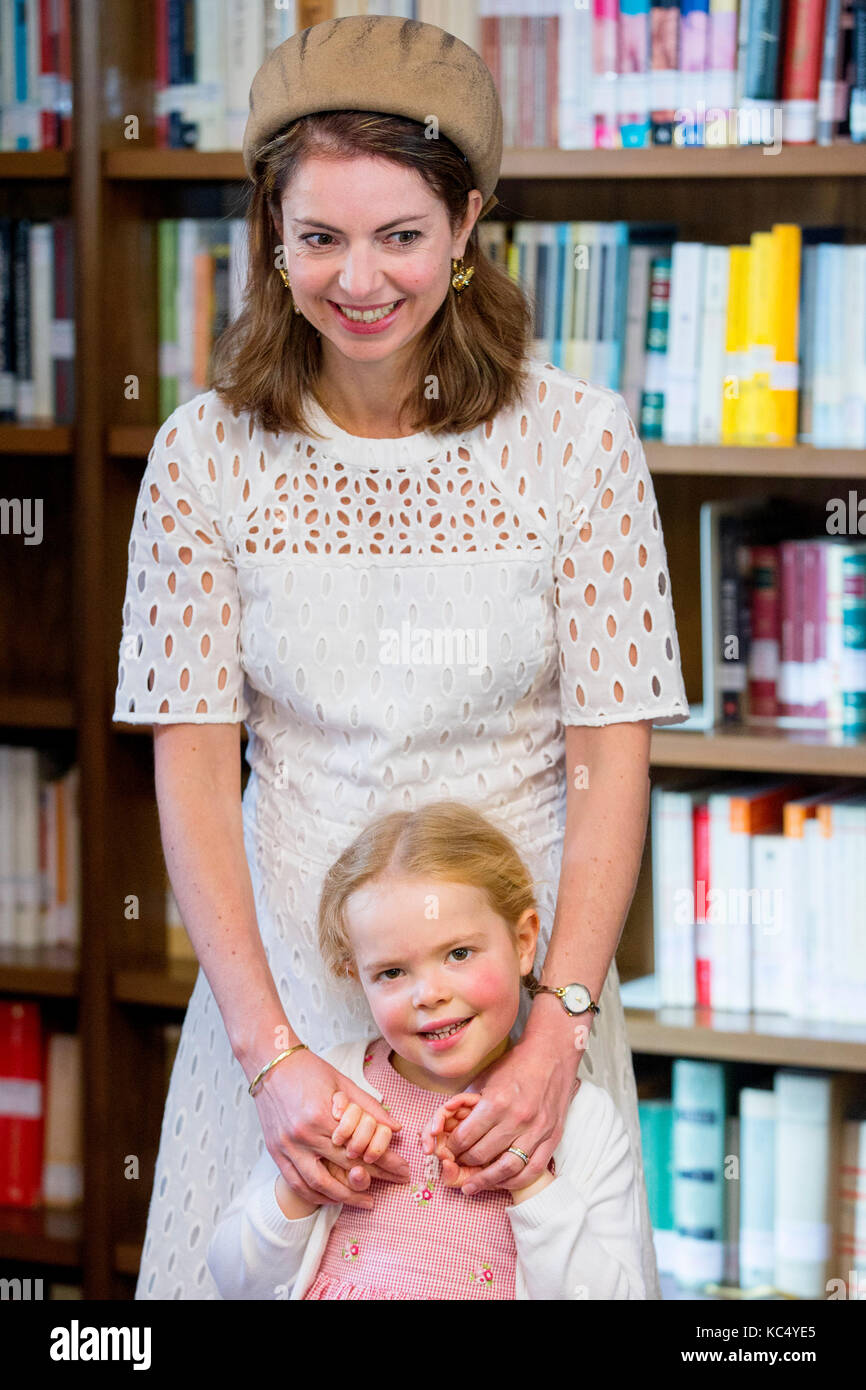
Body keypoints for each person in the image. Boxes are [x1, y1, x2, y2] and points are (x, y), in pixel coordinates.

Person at [112, 15, 690, 1301]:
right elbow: (196, 773)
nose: (357, 279)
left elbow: (610, 766)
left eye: (399, 236)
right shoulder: (203, 456)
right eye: (318, 237)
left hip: (520, 1006)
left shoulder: (580, 449)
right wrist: (270, 1060)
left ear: (467, 221)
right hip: (284, 1019)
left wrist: (556, 1031)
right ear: (271, 232)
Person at [206, 801, 647, 1300]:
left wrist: (529, 1183)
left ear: (524, 942)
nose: (429, 994)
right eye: (392, 973)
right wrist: (302, 1188)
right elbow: (236, 1282)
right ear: (358, 978)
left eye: (458, 954)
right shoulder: (332, 1086)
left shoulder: (578, 1119)